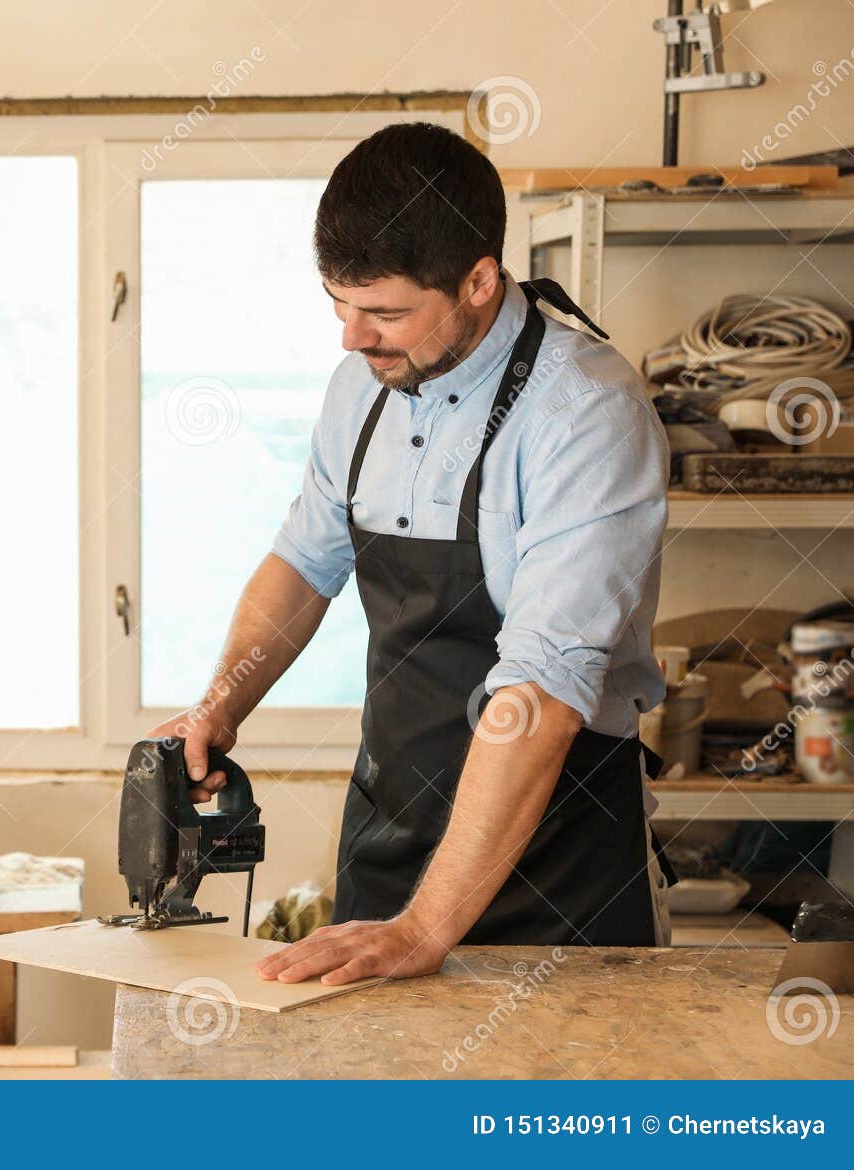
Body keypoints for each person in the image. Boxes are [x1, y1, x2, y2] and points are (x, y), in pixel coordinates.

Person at [150, 122, 671, 986]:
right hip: (389, 841)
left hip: (557, 860)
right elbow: (305, 561)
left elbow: (541, 688)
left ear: (478, 280)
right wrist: (221, 702)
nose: (351, 340)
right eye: (337, 305)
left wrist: (428, 929)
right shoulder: (363, 382)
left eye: (385, 312)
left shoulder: (585, 412)